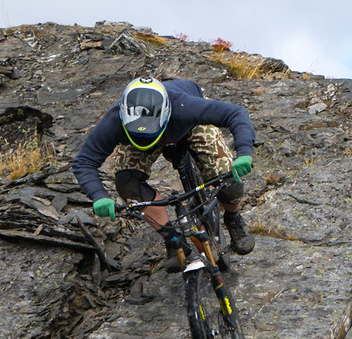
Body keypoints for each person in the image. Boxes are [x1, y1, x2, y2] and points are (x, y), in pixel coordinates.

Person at [72, 76, 257, 271]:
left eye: (147, 132)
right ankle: (173, 239)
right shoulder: (114, 120)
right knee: (127, 183)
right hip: (139, 136)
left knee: (226, 175)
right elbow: (84, 161)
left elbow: (236, 114)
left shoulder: (186, 106)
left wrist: (244, 153)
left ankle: (233, 217)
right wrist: (99, 196)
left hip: (190, 125)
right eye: (139, 133)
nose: (144, 136)